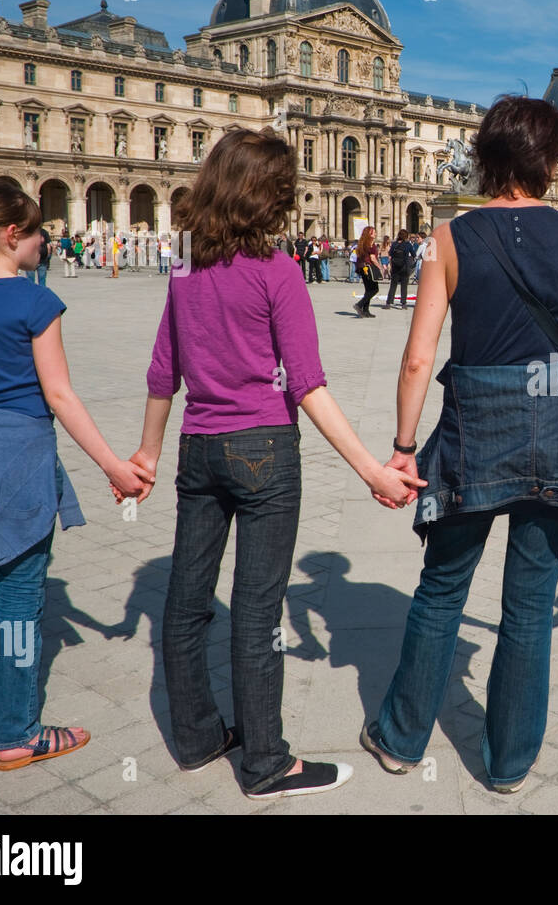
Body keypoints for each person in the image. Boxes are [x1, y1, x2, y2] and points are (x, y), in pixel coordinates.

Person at [361, 96, 558, 794]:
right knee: (529, 605)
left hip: (475, 424)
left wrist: (401, 444)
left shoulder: (449, 238)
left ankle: (399, 738)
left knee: (442, 588)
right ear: (551, 161)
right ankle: (507, 762)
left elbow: (419, 359)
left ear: (487, 155)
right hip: (554, 422)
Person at [126, 128, 422, 799]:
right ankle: (265, 761)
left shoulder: (182, 263)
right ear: (271, 198)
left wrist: (146, 450)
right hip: (262, 450)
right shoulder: (279, 271)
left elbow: (161, 370)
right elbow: (308, 385)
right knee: (257, 612)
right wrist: (373, 471)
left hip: (197, 447)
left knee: (185, 600)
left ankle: (198, 734)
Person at [0, 180, 150, 772]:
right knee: (20, 600)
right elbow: (59, 394)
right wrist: (114, 466)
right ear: (12, 236)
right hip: (20, 454)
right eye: (38, 234)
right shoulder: (34, 302)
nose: (44, 243)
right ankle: (16, 734)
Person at [352, 225, 381, 317]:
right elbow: (372, 258)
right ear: (369, 234)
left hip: (362, 268)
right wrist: (380, 267)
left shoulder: (361, 243)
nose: (375, 233)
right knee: (374, 289)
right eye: (373, 232)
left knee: (368, 290)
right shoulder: (371, 244)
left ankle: (366, 311)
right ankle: (359, 305)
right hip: (369, 268)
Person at [384, 229, 411, 308]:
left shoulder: (394, 244)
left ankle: (389, 303)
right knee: (404, 286)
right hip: (404, 267)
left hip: (395, 267)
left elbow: (390, 253)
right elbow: (413, 253)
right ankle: (403, 303)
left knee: (393, 285)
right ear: (406, 236)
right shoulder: (408, 244)